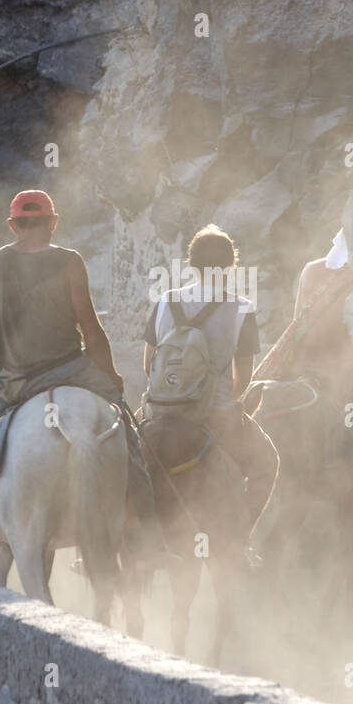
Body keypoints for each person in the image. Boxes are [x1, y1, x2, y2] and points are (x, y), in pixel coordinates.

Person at [0, 189, 176, 563]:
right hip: (69, 370)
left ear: (13, 225)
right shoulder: (69, 261)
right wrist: (112, 377)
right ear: (53, 223)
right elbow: (92, 330)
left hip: (14, 380)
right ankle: (148, 538)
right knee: (127, 434)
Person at [141, 224, 280, 554]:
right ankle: (238, 540)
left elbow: (149, 365)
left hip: (159, 410)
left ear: (191, 264)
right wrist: (226, 404)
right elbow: (243, 376)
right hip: (213, 414)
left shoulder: (164, 301)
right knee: (266, 464)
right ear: (231, 266)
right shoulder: (241, 307)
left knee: (120, 458)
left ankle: (124, 540)